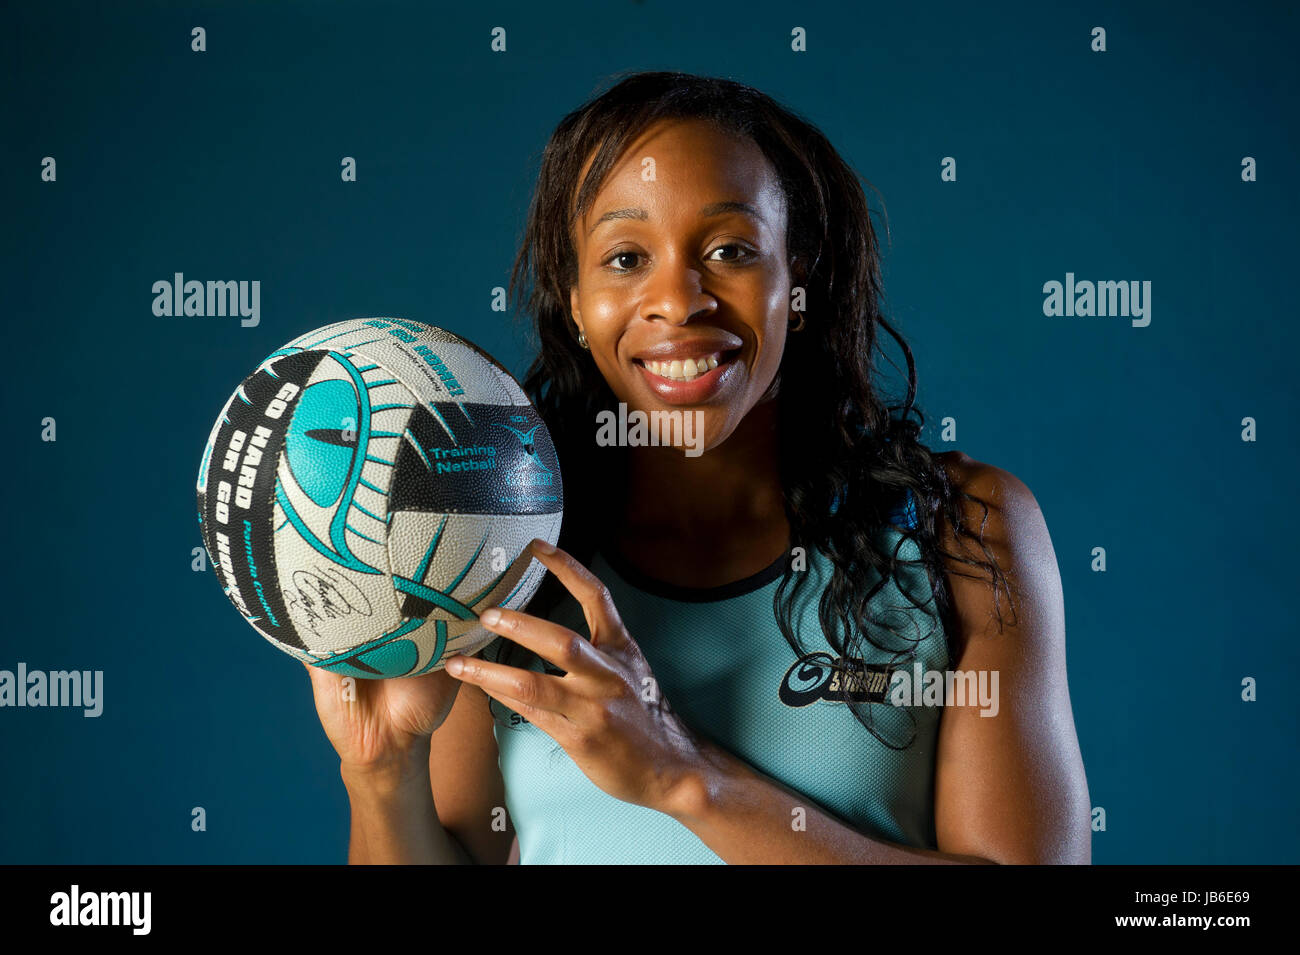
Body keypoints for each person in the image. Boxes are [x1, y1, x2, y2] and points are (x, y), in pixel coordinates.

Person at [305, 70, 1091, 865]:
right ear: (574, 300)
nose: (678, 301)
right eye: (625, 257)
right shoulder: (496, 547)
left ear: (798, 277)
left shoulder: (960, 528)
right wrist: (380, 769)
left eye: (730, 250)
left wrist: (682, 776)